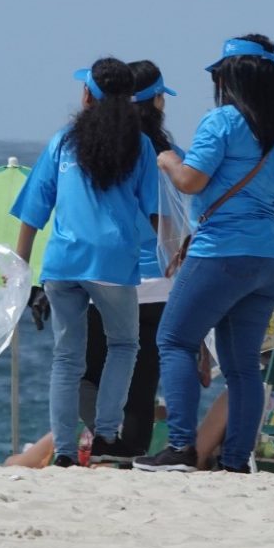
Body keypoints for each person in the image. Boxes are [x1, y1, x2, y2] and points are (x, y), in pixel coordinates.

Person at [135, 35, 274, 473]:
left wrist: (167, 160)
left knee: (174, 340)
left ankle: (183, 448)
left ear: (232, 77)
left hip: (222, 252)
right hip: (269, 259)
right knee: (242, 365)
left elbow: (190, 182)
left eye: (219, 74)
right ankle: (237, 458)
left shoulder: (221, 121)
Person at [12, 58, 158, 468]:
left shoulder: (63, 141)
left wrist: (21, 267)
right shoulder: (140, 145)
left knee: (67, 357)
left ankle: (62, 450)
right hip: (112, 262)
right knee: (125, 344)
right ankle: (106, 436)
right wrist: (164, 254)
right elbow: (154, 212)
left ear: (87, 95)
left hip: (61, 263)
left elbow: (33, 209)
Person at [76, 58, 179, 461]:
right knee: (143, 381)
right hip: (162, 281)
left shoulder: (100, 151)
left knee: (88, 374)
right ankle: (129, 453)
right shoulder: (172, 155)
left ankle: (104, 440)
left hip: (107, 275)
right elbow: (183, 220)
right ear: (157, 103)